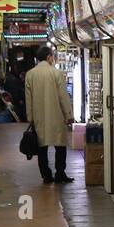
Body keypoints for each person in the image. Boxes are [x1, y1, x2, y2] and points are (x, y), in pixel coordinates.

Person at [24, 45, 74, 184]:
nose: (53, 59)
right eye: (52, 56)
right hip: (57, 116)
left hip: (39, 117)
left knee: (42, 147)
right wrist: (68, 115)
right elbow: (63, 96)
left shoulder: (30, 74)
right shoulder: (56, 73)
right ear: (49, 57)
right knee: (60, 145)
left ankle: (46, 175)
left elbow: (28, 99)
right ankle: (60, 173)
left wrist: (30, 117)